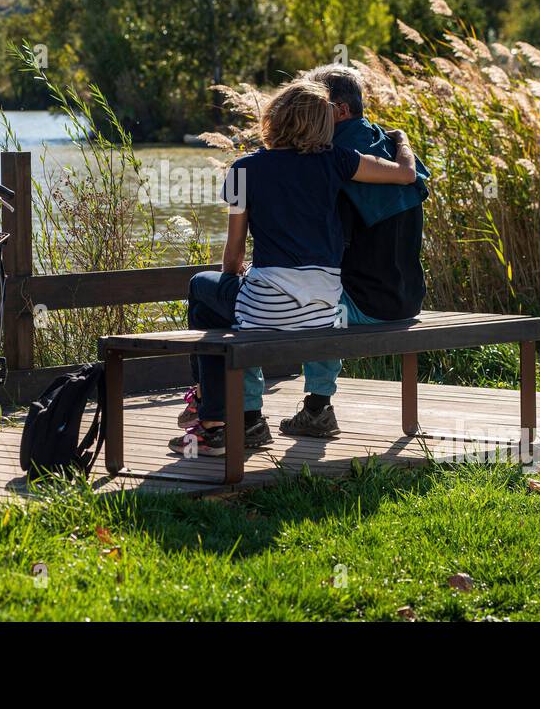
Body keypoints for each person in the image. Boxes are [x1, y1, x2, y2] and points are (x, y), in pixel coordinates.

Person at [171, 79, 418, 457]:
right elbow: (405, 174)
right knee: (245, 310)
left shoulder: (243, 170)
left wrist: (247, 275)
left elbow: (233, 259)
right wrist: (401, 141)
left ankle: (227, 418)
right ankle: (234, 411)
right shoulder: (337, 160)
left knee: (207, 292)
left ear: (274, 118)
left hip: (267, 309)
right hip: (325, 309)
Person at [275, 64, 431, 438]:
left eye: (316, 105)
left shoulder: (334, 159)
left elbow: (324, 255)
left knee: (306, 300)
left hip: (365, 306)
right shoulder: (388, 145)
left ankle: (307, 409)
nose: (307, 114)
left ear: (340, 110)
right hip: (408, 300)